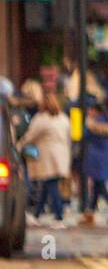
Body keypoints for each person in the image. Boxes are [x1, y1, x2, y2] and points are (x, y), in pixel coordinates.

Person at [23, 92, 72, 228]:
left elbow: (30, 136)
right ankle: (36, 215)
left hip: (48, 157)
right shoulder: (63, 118)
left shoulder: (41, 119)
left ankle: (58, 217)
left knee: (51, 185)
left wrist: (18, 145)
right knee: (46, 185)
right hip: (62, 155)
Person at [80, 99, 108, 225]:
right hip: (107, 157)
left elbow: (82, 136)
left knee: (100, 187)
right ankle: (89, 214)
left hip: (95, 158)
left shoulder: (92, 124)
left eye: (91, 110)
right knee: (97, 187)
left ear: (95, 111)